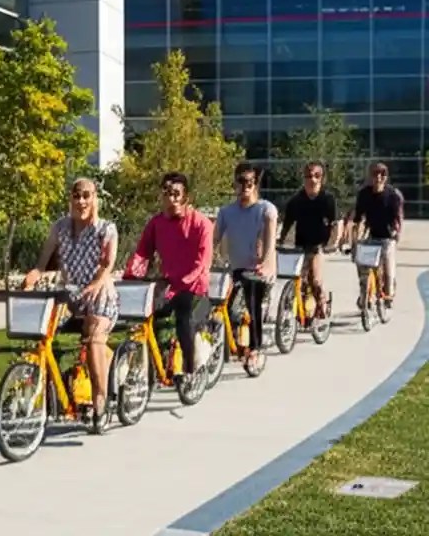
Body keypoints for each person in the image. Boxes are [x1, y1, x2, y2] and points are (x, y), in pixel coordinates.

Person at [23, 178, 120, 434]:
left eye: (87, 195)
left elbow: (106, 265)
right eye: (76, 196)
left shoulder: (106, 229)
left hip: (101, 297)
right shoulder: (60, 227)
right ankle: (54, 394)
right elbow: (42, 263)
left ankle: (101, 403)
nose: (81, 201)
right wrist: (33, 276)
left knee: (93, 337)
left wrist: (95, 284)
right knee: (41, 334)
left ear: (95, 198)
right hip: (70, 297)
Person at [123, 171, 214, 390]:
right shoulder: (156, 223)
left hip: (194, 288)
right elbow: (142, 253)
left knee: (184, 319)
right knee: (144, 317)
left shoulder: (201, 224)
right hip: (168, 286)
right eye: (166, 193)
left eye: (176, 194)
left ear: (186, 197)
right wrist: (131, 276)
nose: (171, 198)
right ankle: (151, 368)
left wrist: (183, 280)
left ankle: (190, 370)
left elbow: (203, 262)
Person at [215, 163, 278, 372]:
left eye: (249, 182)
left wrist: (267, 262)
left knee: (253, 302)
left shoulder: (265, 209)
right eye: (241, 181)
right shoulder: (226, 212)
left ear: (255, 184)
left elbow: (270, 238)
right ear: (234, 184)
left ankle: (256, 349)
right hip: (237, 270)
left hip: (260, 271)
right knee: (223, 306)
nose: (245, 186)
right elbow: (213, 240)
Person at [278, 161, 340, 315]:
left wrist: (335, 242)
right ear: (303, 178)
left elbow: (336, 224)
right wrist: (280, 241)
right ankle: (299, 310)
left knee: (316, 281)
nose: (312, 179)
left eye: (316, 176)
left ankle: (322, 306)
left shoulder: (327, 199)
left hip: (318, 245)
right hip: (300, 246)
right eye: (308, 176)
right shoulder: (296, 201)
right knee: (300, 281)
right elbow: (286, 225)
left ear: (321, 178)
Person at [350, 162, 404, 308]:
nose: (378, 177)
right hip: (372, 234)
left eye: (382, 174)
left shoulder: (393, 195)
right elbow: (358, 218)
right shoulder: (364, 194)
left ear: (386, 177)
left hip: (388, 235)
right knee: (360, 260)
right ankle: (364, 293)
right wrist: (354, 239)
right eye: (375, 174)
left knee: (387, 260)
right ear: (370, 176)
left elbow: (398, 217)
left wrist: (396, 232)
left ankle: (389, 293)